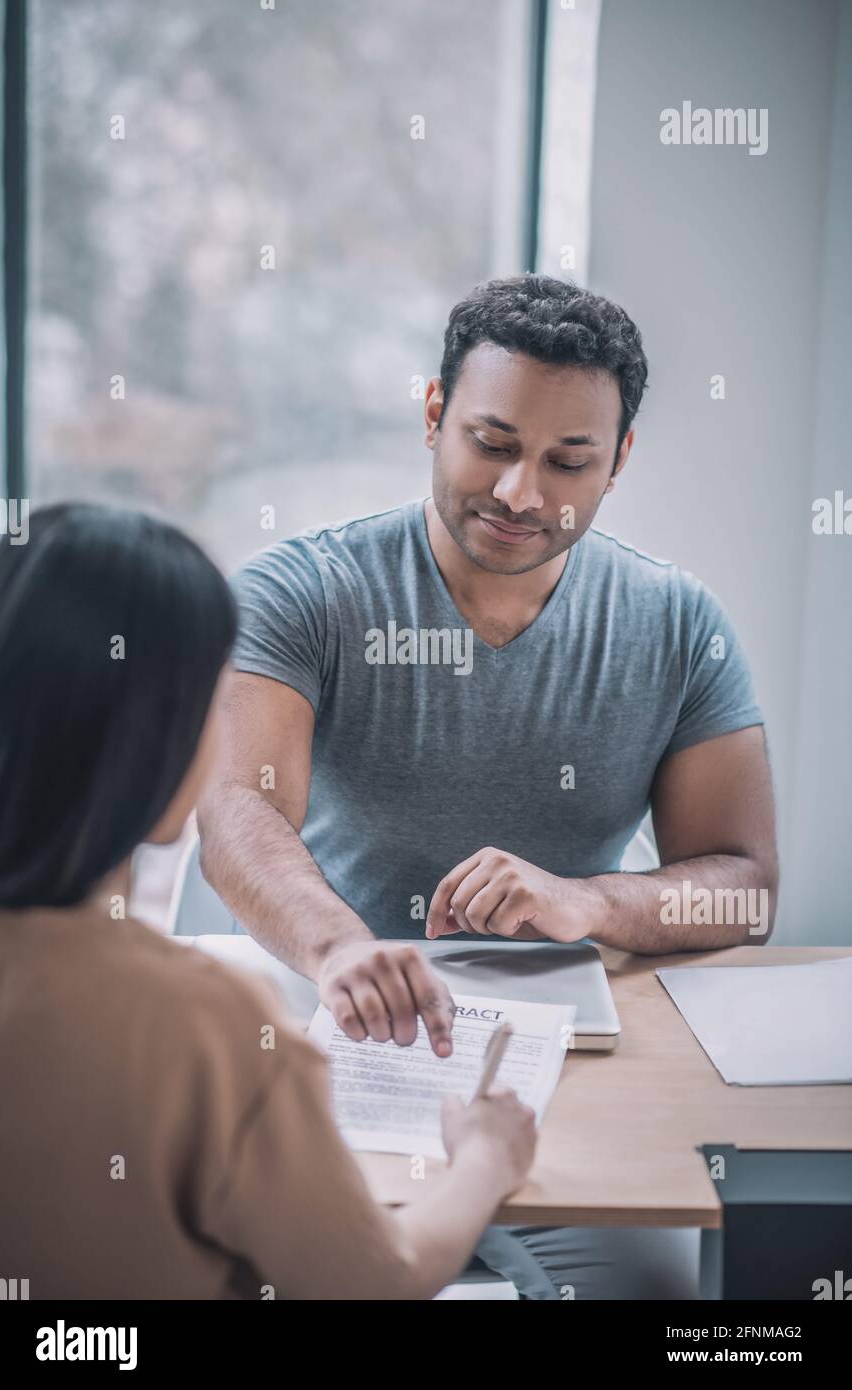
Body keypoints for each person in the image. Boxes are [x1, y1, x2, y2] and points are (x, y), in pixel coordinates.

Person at [198, 274, 778, 1297]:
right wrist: (344, 949)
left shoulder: (676, 622)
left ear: (618, 463)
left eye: (567, 461)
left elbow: (744, 885)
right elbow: (236, 809)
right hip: (343, 1048)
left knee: (656, 1299)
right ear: (433, 415)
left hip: (563, 1071)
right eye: (492, 442)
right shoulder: (302, 591)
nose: (520, 493)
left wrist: (588, 899)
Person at [0, 503, 536, 1300]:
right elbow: (379, 1279)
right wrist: (486, 1159)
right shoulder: (206, 1025)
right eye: (216, 701)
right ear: (162, 738)